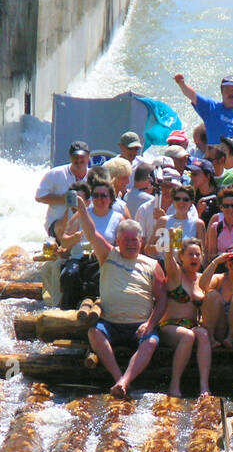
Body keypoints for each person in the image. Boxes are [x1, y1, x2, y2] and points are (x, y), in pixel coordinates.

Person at [74, 215, 167, 399]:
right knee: (94, 333)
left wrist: (150, 324)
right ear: (118, 241)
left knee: (151, 342)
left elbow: (162, 299)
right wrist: (82, 208)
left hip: (140, 324)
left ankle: (124, 382)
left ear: (141, 241)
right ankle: (119, 379)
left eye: (135, 240)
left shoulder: (152, 265)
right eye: (127, 240)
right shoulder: (108, 255)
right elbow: (91, 233)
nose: (131, 244)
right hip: (110, 323)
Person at [160, 240, 221, 398]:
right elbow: (168, 258)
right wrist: (170, 240)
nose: (194, 257)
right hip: (170, 325)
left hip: (192, 326)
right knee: (188, 336)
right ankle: (174, 384)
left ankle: (204, 387)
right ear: (181, 257)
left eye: (198, 255)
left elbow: (229, 277)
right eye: (190, 254)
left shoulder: (202, 279)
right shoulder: (176, 275)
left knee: (203, 334)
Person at [35, 140, 90, 239]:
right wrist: (64, 199)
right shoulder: (55, 174)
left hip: (85, 224)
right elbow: (39, 197)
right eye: (75, 157)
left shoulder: (94, 176)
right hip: (57, 226)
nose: (79, 160)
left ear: (88, 157)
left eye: (82, 157)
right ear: (70, 157)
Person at [202, 250, 233, 347]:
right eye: (231, 259)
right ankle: (210, 338)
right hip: (220, 329)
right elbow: (203, 286)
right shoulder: (219, 279)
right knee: (211, 294)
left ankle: (231, 338)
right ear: (225, 263)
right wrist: (215, 262)